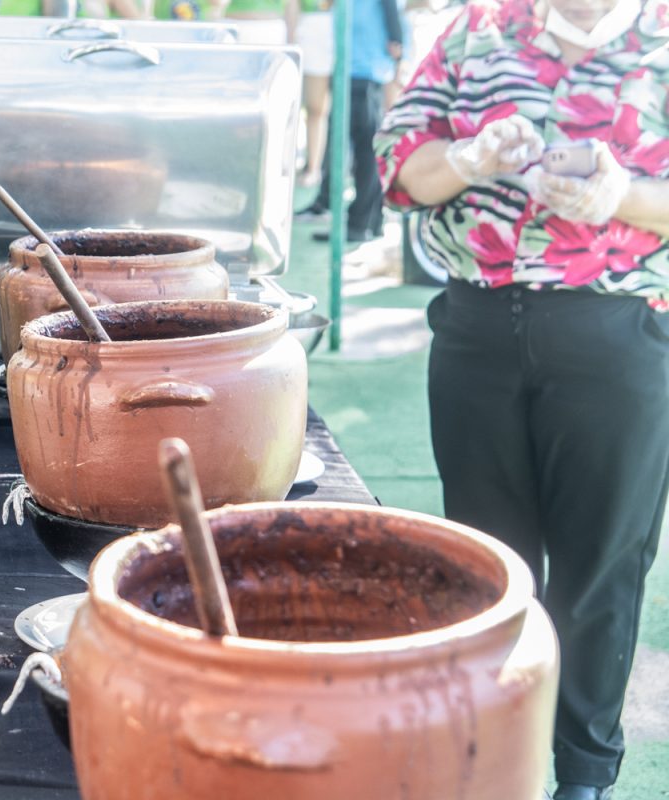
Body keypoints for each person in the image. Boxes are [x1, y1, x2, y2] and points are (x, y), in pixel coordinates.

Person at [376, 0, 669, 796]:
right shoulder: (480, 27)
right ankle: (489, 764)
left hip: (616, 332)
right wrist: (469, 157)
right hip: (478, 331)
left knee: (602, 565)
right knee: (483, 560)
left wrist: (623, 195)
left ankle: (583, 774)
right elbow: (401, 168)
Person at [296, 0, 404, 243]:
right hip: (358, 68)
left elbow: (391, 13)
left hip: (363, 70)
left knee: (367, 152)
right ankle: (369, 221)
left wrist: (398, 41)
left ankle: (361, 223)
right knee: (364, 148)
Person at [285, 0, 333, 186]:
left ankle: (313, 168)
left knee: (317, 107)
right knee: (290, 106)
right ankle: (288, 163)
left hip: (325, 29)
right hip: (301, 28)